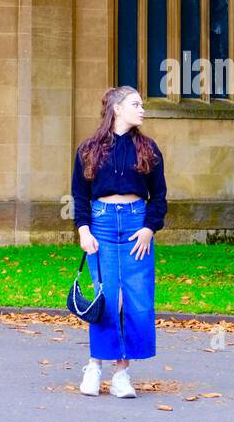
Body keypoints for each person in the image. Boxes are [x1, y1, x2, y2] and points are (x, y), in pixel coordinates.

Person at [70, 84, 167, 398]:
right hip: (102, 224)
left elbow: (160, 197)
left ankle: (122, 373)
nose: (142, 110)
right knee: (107, 297)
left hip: (137, 225)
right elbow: (79, 196)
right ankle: (95, 366)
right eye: (136, 104)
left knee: (136, 297)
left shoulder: (148, 149)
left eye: (141, 104)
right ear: (117, 109)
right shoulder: (88, 149)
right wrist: (84, 231)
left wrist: (149, 228)